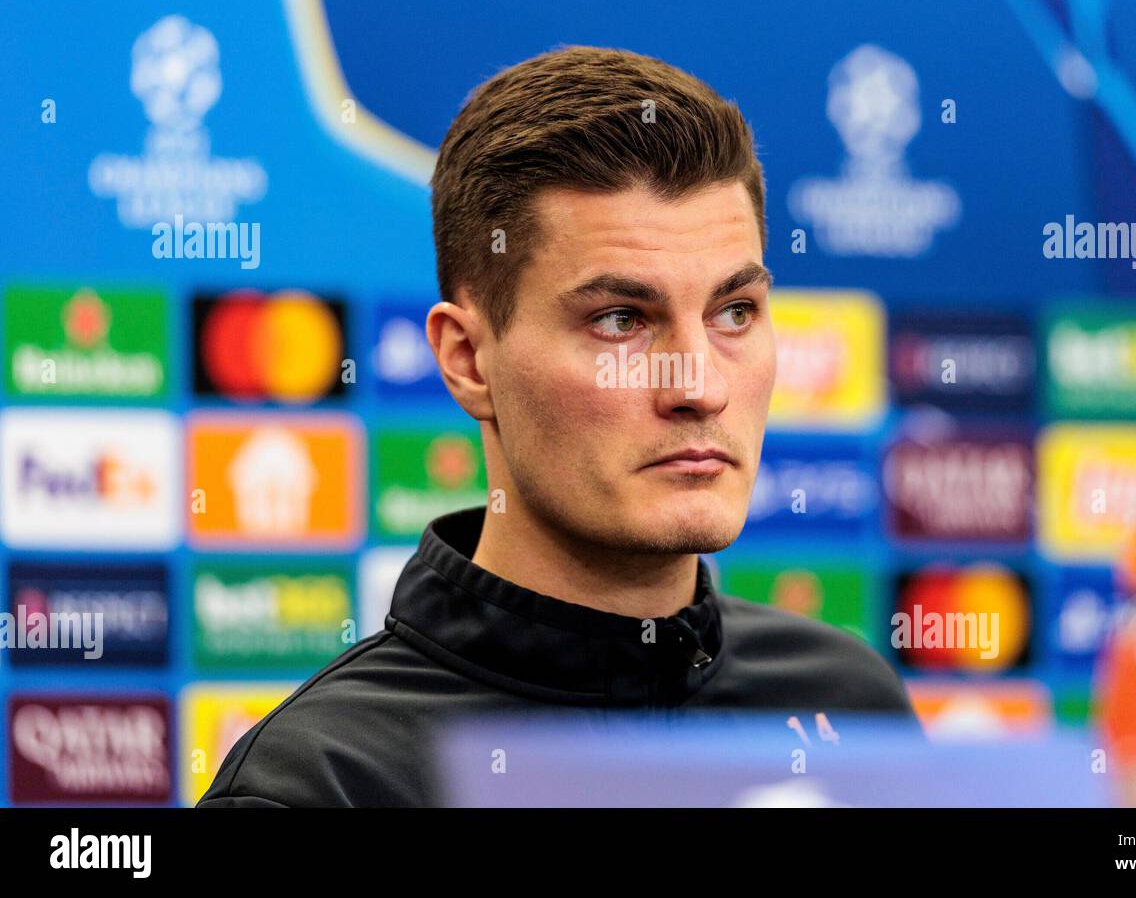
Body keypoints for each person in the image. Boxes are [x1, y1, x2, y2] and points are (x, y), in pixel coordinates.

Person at [198, 45, 915, 807]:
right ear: (470, 359)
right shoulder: (322, 785)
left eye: (734, 312)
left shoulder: (852, 704)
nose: (699, 386)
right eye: (620, 321)